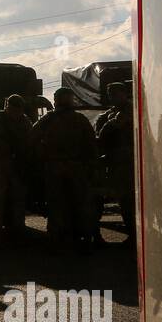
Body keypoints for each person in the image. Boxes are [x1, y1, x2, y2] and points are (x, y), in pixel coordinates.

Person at [32, 86, 98, 250]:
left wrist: (43, 158)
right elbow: (91, 144)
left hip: (55, 166)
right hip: (75, 166)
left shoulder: (48, 120)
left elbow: (32, 138)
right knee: (79, 202)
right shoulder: (79, 119)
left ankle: (57, 239)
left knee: (57, 204)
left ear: (56, 100)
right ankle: (83, 237)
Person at [0, 93, 34, 245]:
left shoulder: (25, 122)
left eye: (18, 109)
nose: (16, 112)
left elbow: (31, 142)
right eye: (13, 108)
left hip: (17, 167)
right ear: (7, 107)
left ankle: (17, 230)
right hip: (0, 165)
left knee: (18, 199)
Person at [97, 82, 136, 242]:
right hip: (119, 165)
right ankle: (133, 235)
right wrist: (111, 124)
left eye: (116, 93)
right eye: (111, 94)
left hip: (135, 162)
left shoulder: (137, 111)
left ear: (124, 93)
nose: (113, 97)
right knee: (126, 201)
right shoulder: (107, 116)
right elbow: (100, 138)